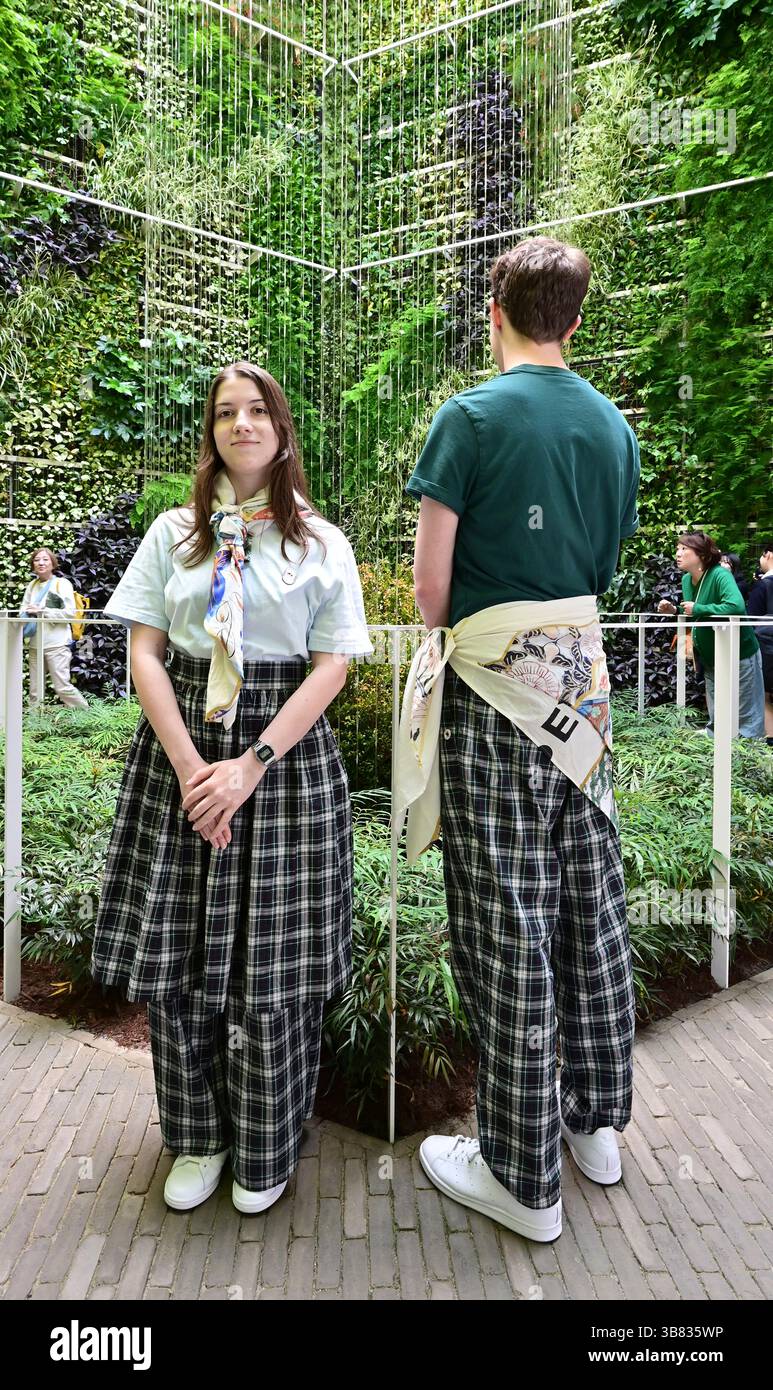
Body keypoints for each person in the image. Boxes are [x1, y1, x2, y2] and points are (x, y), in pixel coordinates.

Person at [394, 236, 640, 1243]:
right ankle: (594, 1127)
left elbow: (429, 590)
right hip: (584, 700)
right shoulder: (613, 427)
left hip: (493, 693)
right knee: (589, 901)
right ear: (574, 321)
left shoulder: (467, 417)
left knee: (506, 922)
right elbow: (604, 569)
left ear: (493, 309)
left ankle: (518, 1171)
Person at [90, 361, 373, 1215]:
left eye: (257, 410)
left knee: (274, 969)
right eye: (224, 412)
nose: (240, 423)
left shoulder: (321, 543)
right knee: (177, 959)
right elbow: (144, 652)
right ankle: (197, 1136)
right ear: (210, 432)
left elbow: (332, 667)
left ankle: (264, 1145)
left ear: (282, 429)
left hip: (279, 764)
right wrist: (190, 769)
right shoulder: (174, 534)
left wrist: (249, 764)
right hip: (178, 753)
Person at [658, 532, 764, 738]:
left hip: (738, 653)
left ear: (703, 555)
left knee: (746, 713)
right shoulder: (688, 580)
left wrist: (697, 608)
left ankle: (750, 759)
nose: (677, 554)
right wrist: (675, 611)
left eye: (683, 549)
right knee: (717, 707)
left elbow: (735, 605)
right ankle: (715, 749)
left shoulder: (719, 574)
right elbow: (698, 613)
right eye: (677, 549)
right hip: (711, 656)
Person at [19, 547, 89, 709]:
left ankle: (87, 716)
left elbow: (69, 613)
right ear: (33, 565)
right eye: (37, 560)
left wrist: (42, 611)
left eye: (45, 559)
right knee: (35, 690)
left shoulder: (61, 584)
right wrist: (27, 612)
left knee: (62, 687)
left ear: (52, 563)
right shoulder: (32, 585)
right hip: (36, 644)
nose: (41, 563)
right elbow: (23, 609)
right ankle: (35, 727)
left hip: (57, 645)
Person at [746, 539, 773, 745]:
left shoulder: (763, 585)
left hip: (767, 647)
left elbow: (751, 619)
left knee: (764, 695)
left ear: (769, 555)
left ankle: (769, 743)